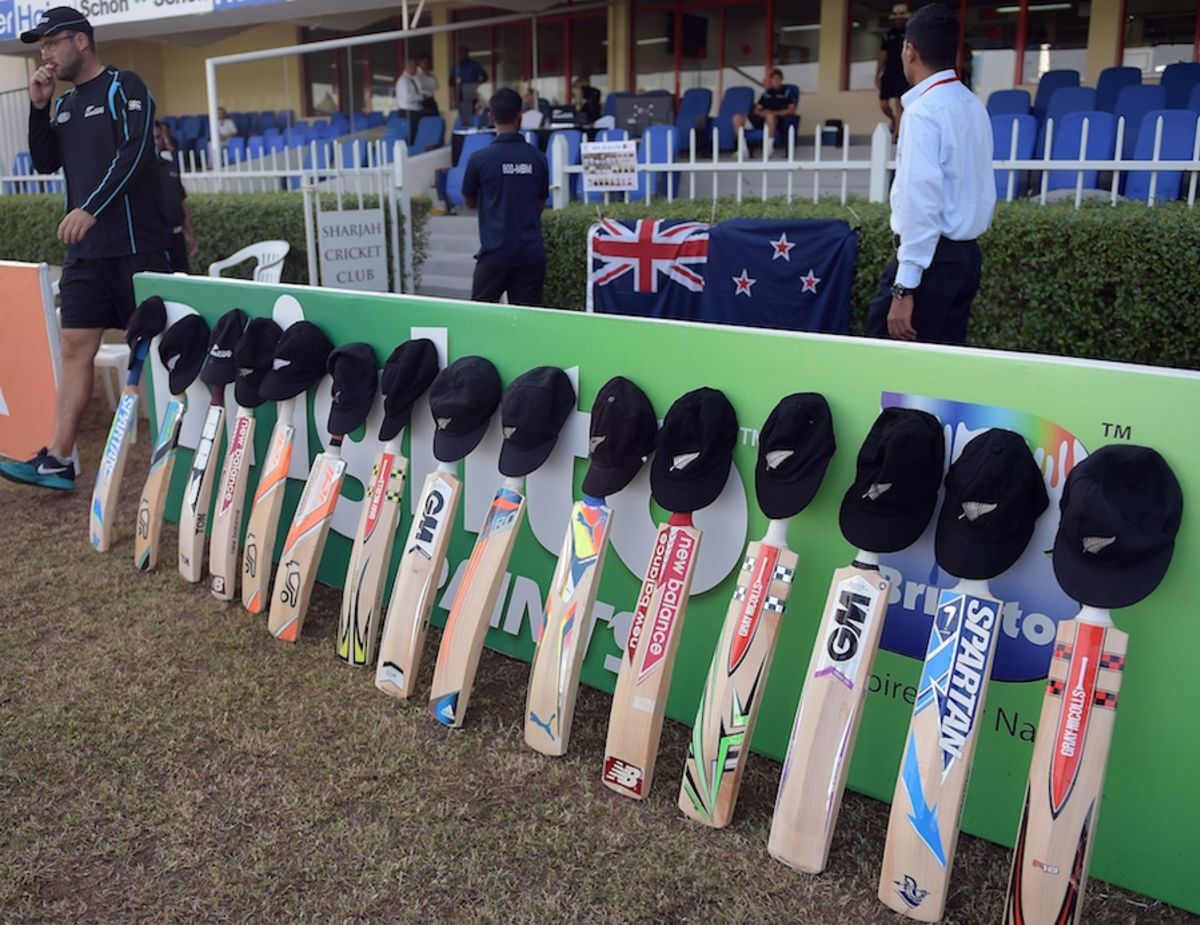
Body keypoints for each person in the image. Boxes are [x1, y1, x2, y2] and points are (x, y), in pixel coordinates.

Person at [1, 6, 169, 491]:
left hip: (137, 248)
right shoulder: (66, 103)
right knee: (75, 346)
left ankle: (169, 458)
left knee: (153, 353)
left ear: (80, 41)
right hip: (86, 255)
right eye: (41, 47)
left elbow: (135, 153)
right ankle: (57, 460)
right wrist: (39, 106)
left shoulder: (125, 85)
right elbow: (44, 162)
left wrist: (92, 207)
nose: (45, 54)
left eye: (51, 43)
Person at [866, 3, 994, 346]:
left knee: (886, 364)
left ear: (909, 51)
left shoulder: (923, 112)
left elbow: (919, 202)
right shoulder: (972, 104)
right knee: (940, 374)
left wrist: (904, 287)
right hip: (965, 258)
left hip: (931, 262)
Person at [462, 88, 549, 306]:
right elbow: (540, 203)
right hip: (531, 256)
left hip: (494, 255)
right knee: (527, 326)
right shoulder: (538, 158)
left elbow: (469, 201)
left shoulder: (478, 159)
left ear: (491, 117)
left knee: (480, 321)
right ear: (520, 115)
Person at [155, 121, 197, 273]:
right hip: (155, 240)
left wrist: (190, 235)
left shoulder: (171, 167)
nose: (156, 141)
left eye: (159, 137)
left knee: (183, 278)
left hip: (177, 236)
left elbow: (181, 201)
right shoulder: (140, 171)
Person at [731, 68, 798, 150]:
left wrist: (773, 113)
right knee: (736, 118)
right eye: (773, 78)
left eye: (777, 78)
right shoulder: (766, 93)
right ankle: (743, 148)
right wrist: (764, 113)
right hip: (760, 118)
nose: (775, 80)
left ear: (781, 80)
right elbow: (756, 110)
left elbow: (791, 110)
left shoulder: (787, 92)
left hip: (775, 119)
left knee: (770, 116)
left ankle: (769, 147)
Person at [877, 4, 911, 141]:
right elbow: (882, 54)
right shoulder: (888, 35)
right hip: (889, 72)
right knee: (883, 104)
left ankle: (896, 133)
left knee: (899, 103)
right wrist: (877, 73)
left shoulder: (910, 34)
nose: (899, 20)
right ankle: (892, 120)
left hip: (902, 72)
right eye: (896, 18)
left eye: (901, 18)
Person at [450, 46, 488, 128]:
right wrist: (457, 81)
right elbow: (450, 82)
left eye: (463, 53)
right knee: (464, 117)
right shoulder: (456, 66)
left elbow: (485, 76)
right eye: (459, 53)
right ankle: (465, 132)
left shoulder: (474, 64)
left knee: (474, 116)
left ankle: (474, 131)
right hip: (461, 95)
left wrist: (477, 84)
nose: (461, 55)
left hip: (472, 93)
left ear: (467, 54)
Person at [394, 57, 421, 143]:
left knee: (415, 136)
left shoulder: (410, 80)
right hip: (408, 113)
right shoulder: (403, 81)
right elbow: (408, 98)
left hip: (413, 113)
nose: (416, 69)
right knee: (409, 137)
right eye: (415, 66)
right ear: (409, 67)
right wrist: (421, 97)